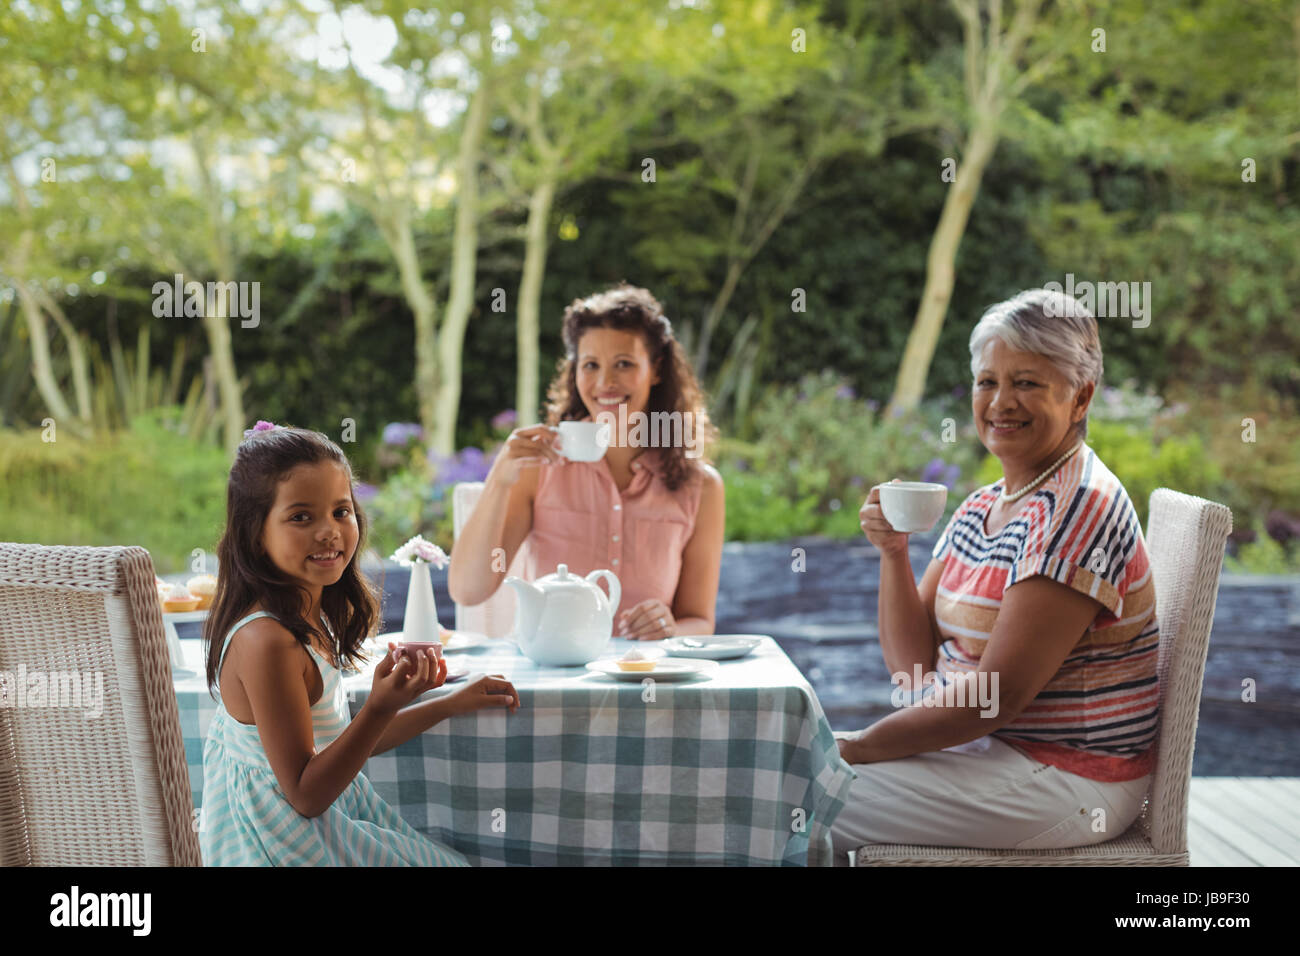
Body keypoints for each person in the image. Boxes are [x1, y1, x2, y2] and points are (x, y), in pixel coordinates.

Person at [831, 289, 1157, 863]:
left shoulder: (1079, 508)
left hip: (1067, 775)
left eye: (1027, 382)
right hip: (982, 749)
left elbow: (995, 700)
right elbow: (911, 666)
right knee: (790, 786)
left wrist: (858, 746)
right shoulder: (986, 505)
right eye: (988, 381)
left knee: (800, 798)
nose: (1001, 401)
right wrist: (892, 553)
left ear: (1080, 397)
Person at [200, 423, 519, 866]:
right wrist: (379, 706)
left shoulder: (311, 616)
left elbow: (341, 739)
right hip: (282, 845)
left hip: (321, 824)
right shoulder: (265, 641)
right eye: (301, 517)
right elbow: (306, 794)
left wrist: (447, 704)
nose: (329, 531)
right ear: (255, 533)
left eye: (340, 511)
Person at [449, 283, 725, 640]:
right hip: (555, 679)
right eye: (590, 365)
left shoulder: (700, 486)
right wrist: (500, 477)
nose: (605, 383)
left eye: (624, 364)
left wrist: (670, 627)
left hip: (645, 681)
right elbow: (469, 591)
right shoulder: (540, 468)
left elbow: (700, 621)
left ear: (656, 369)